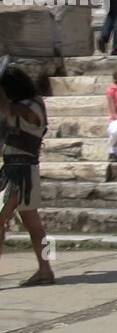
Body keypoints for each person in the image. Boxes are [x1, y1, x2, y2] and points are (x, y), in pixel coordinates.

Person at [0, 59, 54, 286]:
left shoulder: (30, 106)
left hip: (19, 173)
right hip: (18, 170)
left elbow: (29, 118)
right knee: (36, 226)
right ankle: (46, 269)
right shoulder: (27, 103)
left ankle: (47, 268)